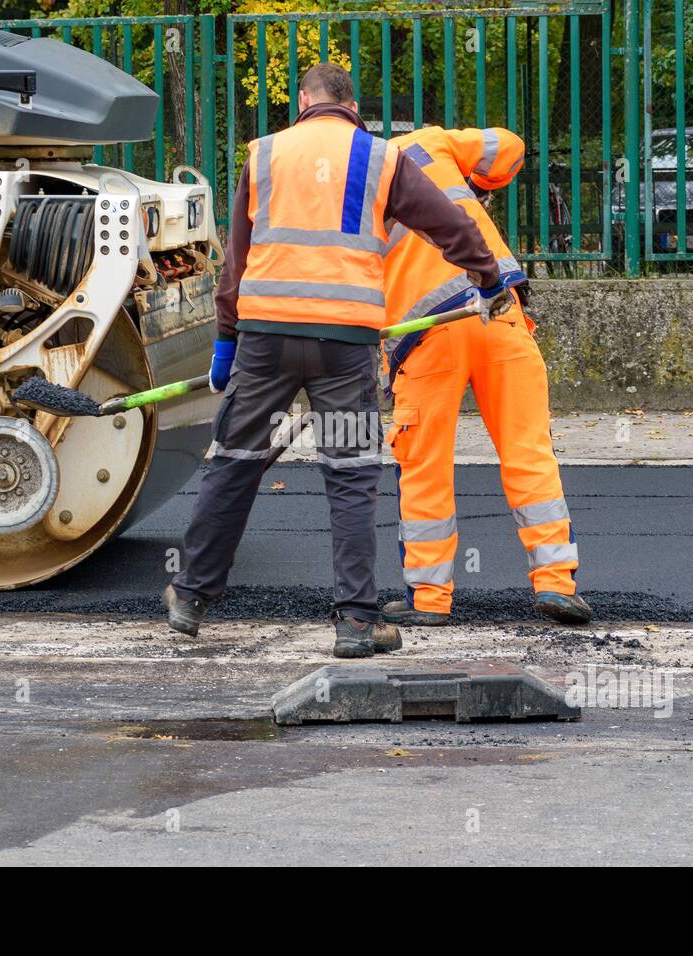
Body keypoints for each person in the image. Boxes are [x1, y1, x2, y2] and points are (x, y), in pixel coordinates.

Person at [163, 64, 506, 658]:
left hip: (266, 338)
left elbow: (235, 262)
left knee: (237, 461)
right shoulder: (381, 158)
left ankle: (191, 596)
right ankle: (354, 621)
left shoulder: (264, 154)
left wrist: (226, 340)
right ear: (353, 107)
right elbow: (450, 223)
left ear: (303, 100)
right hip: (344, 346)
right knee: (350, 476)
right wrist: (488, 275)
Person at [380, 126, 592, 627]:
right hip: (497, 308)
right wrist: (475, 187)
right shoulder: (430, 143)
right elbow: (511, 146)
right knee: (528, 450)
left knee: (424, 460)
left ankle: (430, 599)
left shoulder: (346, 184)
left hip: (427, 332)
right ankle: (556, 585)